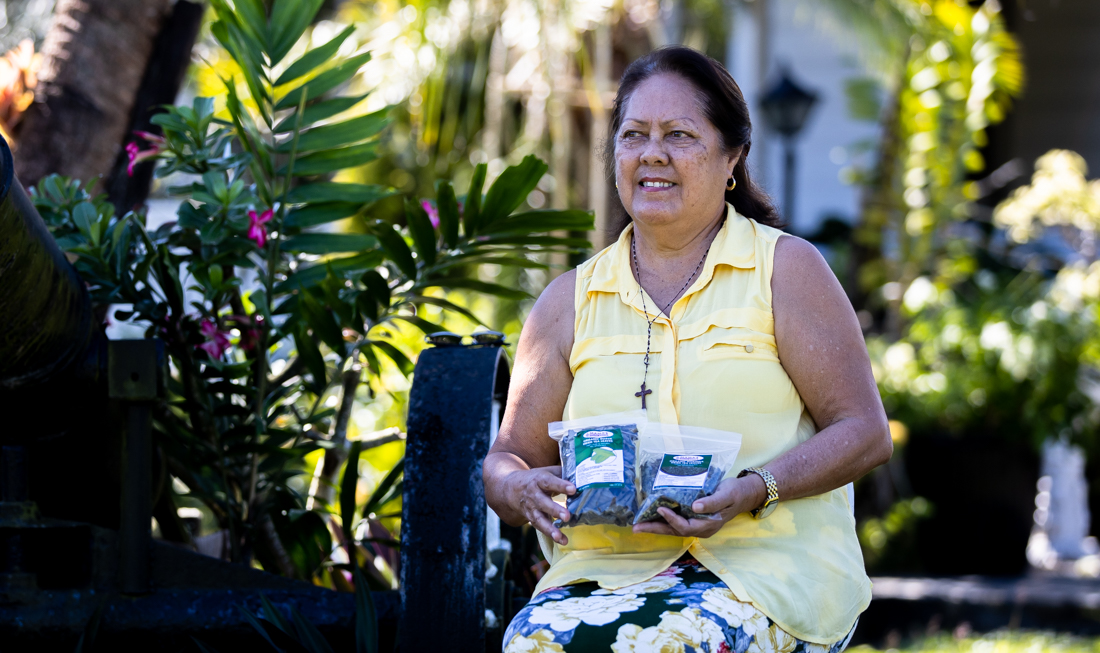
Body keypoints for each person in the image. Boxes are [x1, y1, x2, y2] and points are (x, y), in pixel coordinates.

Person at [484, 45, 892, 652]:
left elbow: (864, 431)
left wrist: (754, 488)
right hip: (601, 576)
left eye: (679, 134)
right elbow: (509, 458)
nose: (653, 153)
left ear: (732, 159)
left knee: (669, 643)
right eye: (634, 135)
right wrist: (520, 490)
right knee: (531, 642)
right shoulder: (567, 301)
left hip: (767, 573)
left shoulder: (785, 270)